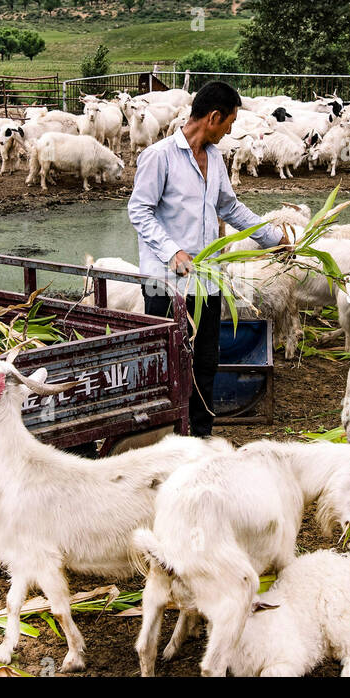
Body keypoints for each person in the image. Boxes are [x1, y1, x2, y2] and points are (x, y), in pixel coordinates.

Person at [128, 81, 287, 437]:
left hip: (206, 279)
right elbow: (139, 211)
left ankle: (200, 435)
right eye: (229, 122)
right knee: (169, 363)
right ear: (213, 117)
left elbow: (229, 206)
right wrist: (172, 251)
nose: (230, 130)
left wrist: (272, 238)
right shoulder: (160, 156)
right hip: (165, 282)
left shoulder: (215, 158)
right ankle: (165, 435)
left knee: (204, 363)